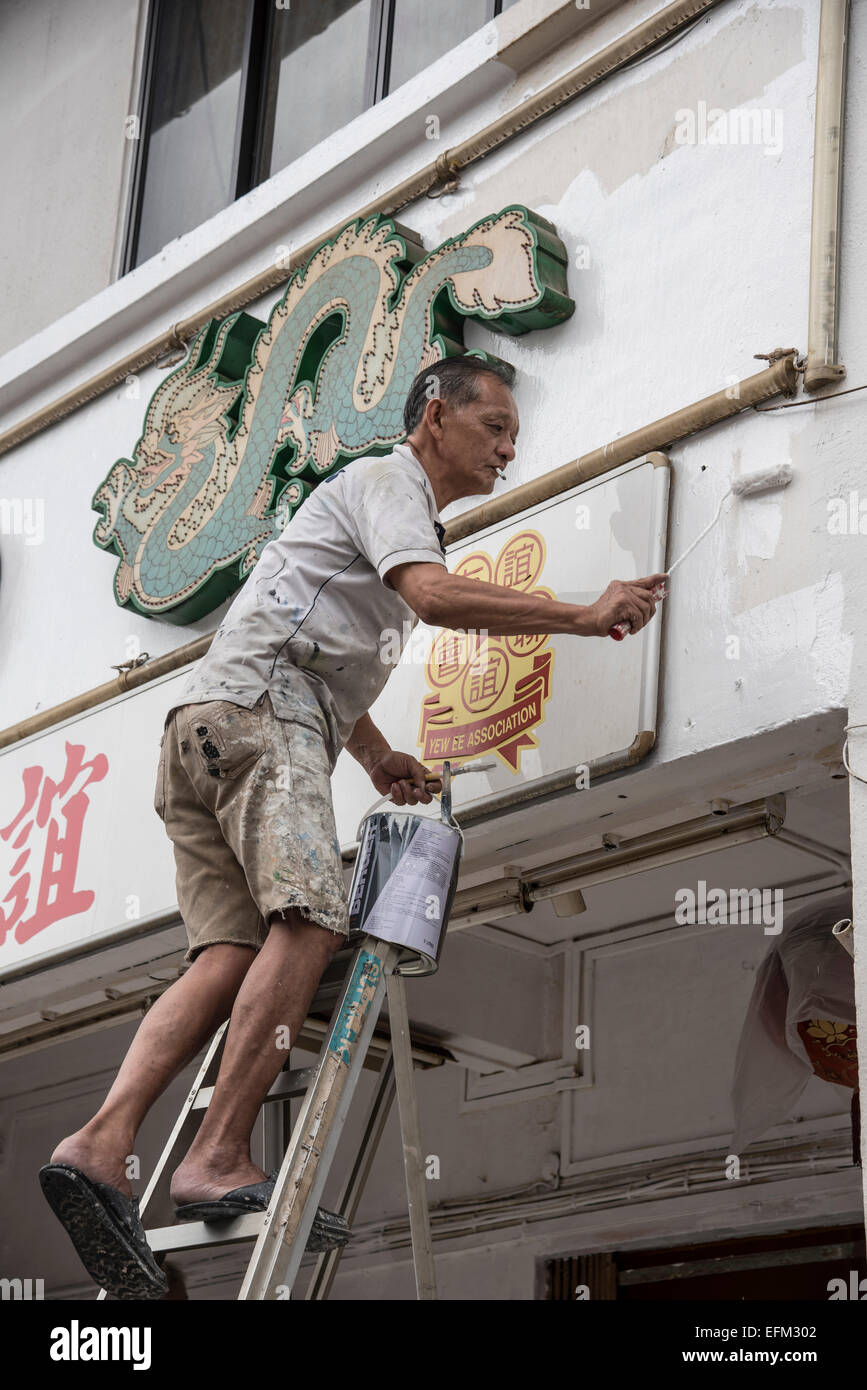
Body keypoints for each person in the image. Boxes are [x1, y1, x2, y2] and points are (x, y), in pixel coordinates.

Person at [40, 355, 665, 1297]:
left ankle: (98, 1143)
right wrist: (580, 615)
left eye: (511, 434)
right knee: (313, 920)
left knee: (224, 956)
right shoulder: (390, 481)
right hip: (263, 713)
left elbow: (319, 637)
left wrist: (374, 760)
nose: (508, 447)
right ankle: (215, 1156)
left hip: (206, 725)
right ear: (433, 415)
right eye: (493, 426)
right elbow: (432, 598)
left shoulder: (367, 502)